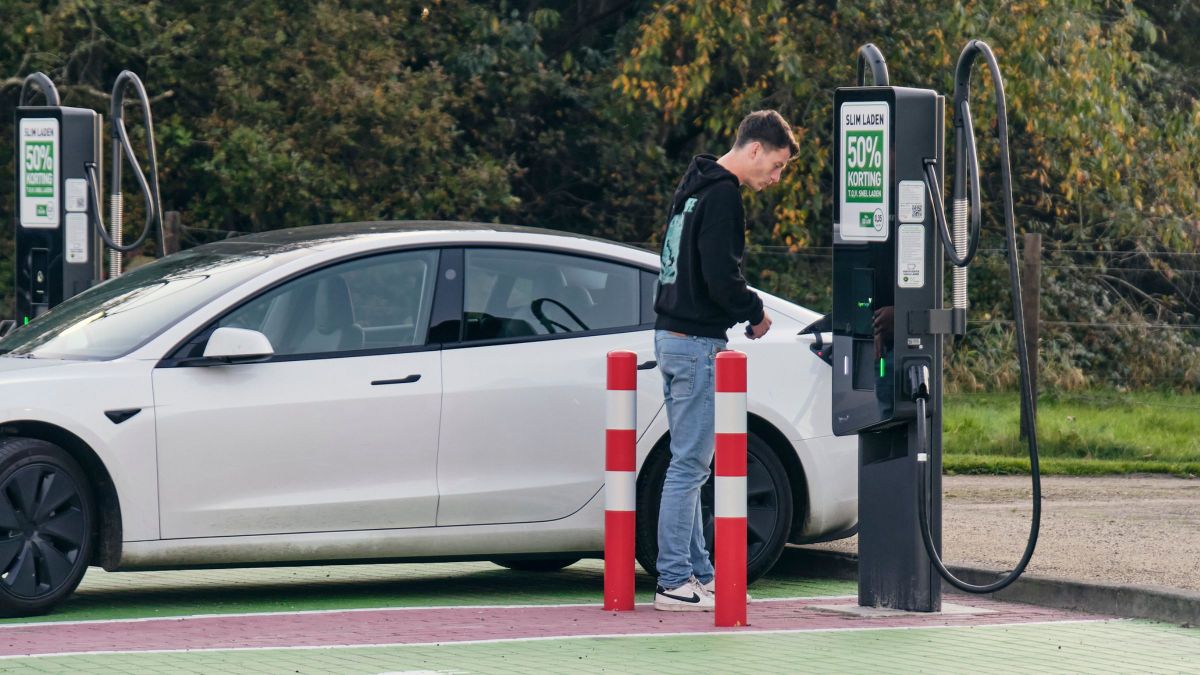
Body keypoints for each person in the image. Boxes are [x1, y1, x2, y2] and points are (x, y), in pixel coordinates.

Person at [652, 110, 798, 611]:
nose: (776, 177)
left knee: (689, 463)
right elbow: (721, 275)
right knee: (690, 465)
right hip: (695, 342)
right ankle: (673, 581)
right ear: (754, 149)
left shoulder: (693, 187)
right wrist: (754, 313)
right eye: (777, 164)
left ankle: (698, 575)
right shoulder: (723, 195)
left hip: (671, 337)